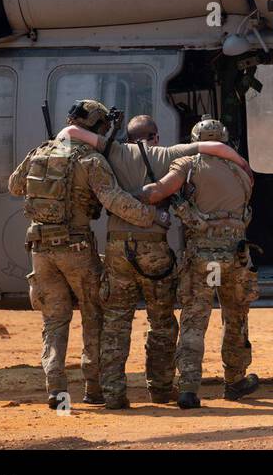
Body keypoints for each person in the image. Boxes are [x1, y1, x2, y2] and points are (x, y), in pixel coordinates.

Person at [56, 114, 251, 409]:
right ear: (156, 136)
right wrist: (240, 160)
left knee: (118, 321)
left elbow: (73, 131)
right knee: (163, 322)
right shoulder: (176, 155)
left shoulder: (116, 152)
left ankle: (115, 393)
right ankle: (163, 389)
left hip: (121, 250)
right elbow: (213, 151)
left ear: (127, 137)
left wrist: (122, 202)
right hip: (177, 253)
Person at [7, 99, 164, 409]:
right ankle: (93, 388)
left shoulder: (40, 151)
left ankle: (56, 389)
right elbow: (113, 200)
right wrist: (151, 216)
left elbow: (14, 186)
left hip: (40, 248)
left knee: (54, 320)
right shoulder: (90, 160)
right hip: (76, 249)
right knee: (94, 314)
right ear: (96, 127)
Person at [140, 118, 259, 409]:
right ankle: (234, 381)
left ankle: (189, 388)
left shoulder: (187, 165)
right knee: (236, 318)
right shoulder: (244, 173)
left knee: (195, 319)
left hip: (204, 259)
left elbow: (156, 192)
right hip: (236, 257)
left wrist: (134, 190)